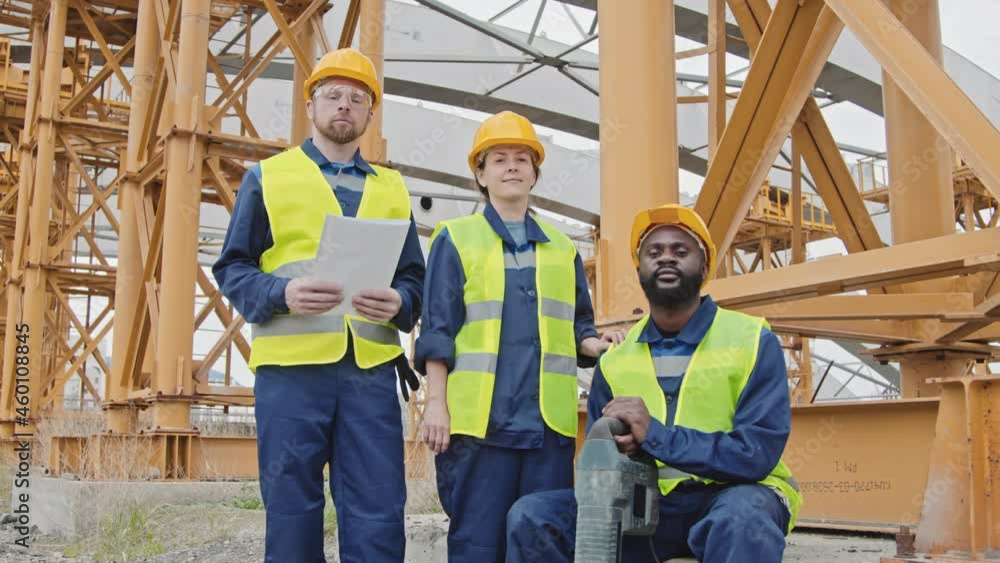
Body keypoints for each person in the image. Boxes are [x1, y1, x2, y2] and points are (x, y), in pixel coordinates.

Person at [212, 48, 424, 563]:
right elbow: (232, 268)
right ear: (311, 106)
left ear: (370, 114)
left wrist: (399, 302)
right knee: (291, 508)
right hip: (291, 373)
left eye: (357, 99)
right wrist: (281, 294)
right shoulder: (269, 177)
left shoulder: (393, 188)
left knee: (378, 509)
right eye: (333, 96)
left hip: (369, 375)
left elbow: (414, 279)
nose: (344, 107)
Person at [505, 204, 802, 563]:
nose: (666, 259)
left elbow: (756, 454)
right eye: (654, 252)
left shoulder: (751, 340)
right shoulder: (614, 361)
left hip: (731, 495)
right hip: (643, 507)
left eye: (680, 251)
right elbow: (603, 461)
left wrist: (655, 435)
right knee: (534, 517)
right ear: (640, 270)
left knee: (741, 520)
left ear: (704, 267)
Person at [414, 111, 622, 563]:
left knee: (542, 540)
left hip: (548, 429)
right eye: (499, 159)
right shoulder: (456, 238)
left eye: (522, 159)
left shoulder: (562, 248)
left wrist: (595, 345)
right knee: (477, 544)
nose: (512, 167)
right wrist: (436, 403)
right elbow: (438, 329)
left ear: (535, 173)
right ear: (481, 173)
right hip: (480, 426)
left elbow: (578, 328)